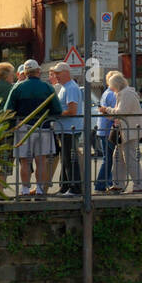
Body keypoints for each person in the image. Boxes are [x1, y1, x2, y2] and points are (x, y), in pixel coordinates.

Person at [4, 60, 59, 197]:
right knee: (41, 161)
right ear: (39, 71)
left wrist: (18, 119)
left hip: (23, 127)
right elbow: (57, 110)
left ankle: (25, 190)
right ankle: (40, 190)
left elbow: (7, 110)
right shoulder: (47, 88)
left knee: (25, 161)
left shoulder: (17, 88)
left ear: (25, 73)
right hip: (44, 128)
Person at [99, 73, 142, 193]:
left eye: (111, 86)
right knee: (118, 158)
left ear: (116, 85)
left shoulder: (126, 94)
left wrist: (106, 110)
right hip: (125, 130)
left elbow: (120, 112)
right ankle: (118, 184)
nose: (111, 88)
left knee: (130, 159)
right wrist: (107, 112)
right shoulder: (123, 93)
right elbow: (119, 114)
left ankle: (139, 186)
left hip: (129, 131)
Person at [50, 62, 84, 196]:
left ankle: (75, 188)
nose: (56, 76)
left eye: (58, 73)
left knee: (70, 159)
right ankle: (64, 187)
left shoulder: (71, 88)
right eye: (55, 73)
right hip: (65, 129)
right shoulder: (66, 87)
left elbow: (72, 110)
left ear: (66, 73)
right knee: (66, 159)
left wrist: (56, 113)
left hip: (70, 129)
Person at [94, 72, 120, 192]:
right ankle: (100, 184)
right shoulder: (113, 95)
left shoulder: (106, 93)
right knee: (108, 159)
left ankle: (108, 183)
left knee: (108, 158)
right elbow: (116, 112)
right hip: (108, 131)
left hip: (102, 130)